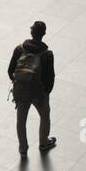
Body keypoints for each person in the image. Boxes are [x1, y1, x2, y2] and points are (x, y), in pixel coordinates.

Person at [8, 21, 57, 156]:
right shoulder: (47, 54)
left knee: (21, 121)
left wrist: (19, 82)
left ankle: (23, 149)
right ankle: (43, 142)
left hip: (21, 91)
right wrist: (45, 93)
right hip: (38, 93)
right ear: (44, 34)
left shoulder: (19, 49)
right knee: (45, 115)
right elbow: (50, 77)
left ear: (31, 32)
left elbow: (10, 70)